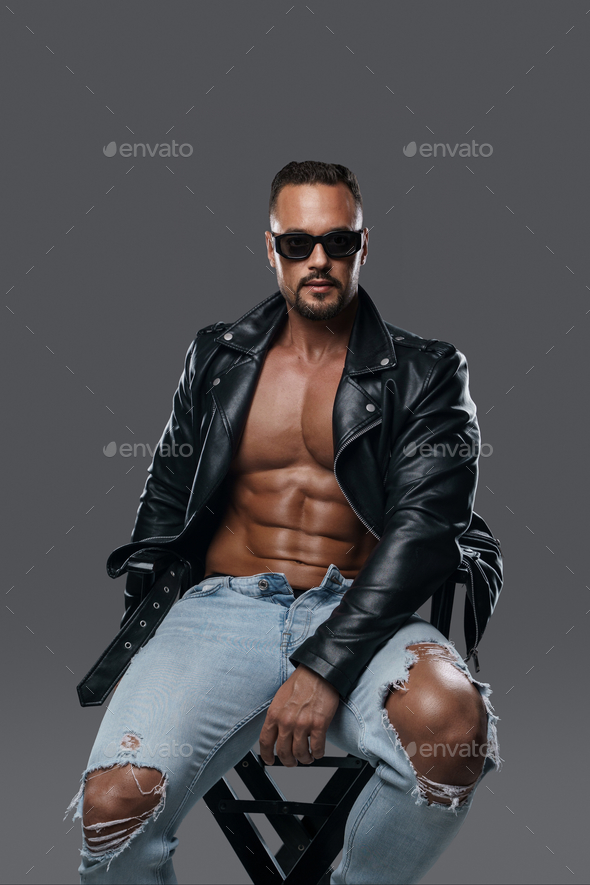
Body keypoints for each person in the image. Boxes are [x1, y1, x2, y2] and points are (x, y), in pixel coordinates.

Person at [65, 160, 500, 884]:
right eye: (298, 243)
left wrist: (323, 667)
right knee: (114, 808)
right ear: (271, 249)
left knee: (452, 729)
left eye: (337, 241)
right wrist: (150, 631)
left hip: (359, 608)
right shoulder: (217, 356)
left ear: (364, 245)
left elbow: (426, 530)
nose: (318, 260)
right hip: (221, 610)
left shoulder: (426, 371)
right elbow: (167, 494)